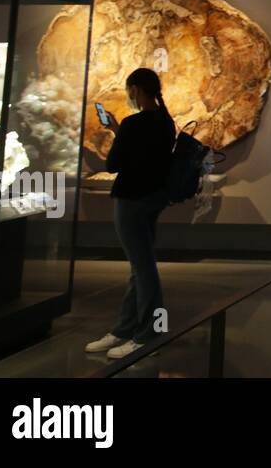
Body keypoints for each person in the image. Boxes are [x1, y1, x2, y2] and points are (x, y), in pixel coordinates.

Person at [85, 68, 175, 360]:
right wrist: (118, 130)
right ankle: (125, 329)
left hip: (131, 200)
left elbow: (113, 164)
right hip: (152, 199)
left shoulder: (134, 123)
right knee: (140, 266)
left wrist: (118, 132)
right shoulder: (165, 122)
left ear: (135, 90)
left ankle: (148, 334)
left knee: (143, 268)